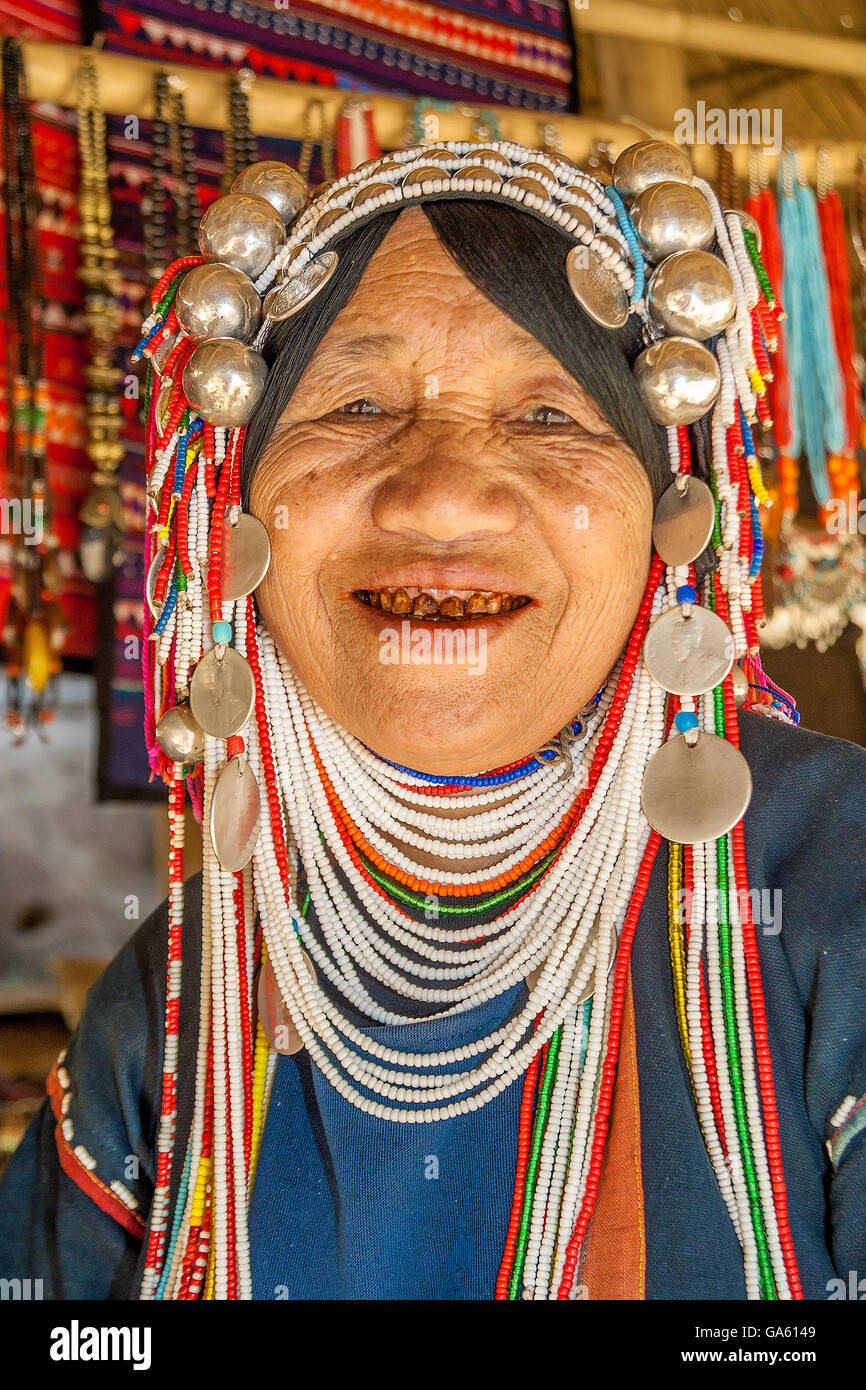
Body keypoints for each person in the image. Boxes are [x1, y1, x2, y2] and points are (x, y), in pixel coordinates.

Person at [1, 139, 864, 1301]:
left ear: (668, 510)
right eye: (356, 404)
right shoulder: (182, 981)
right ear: (235, 504)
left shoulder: (834, 878)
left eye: (549, 417)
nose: (442, 491)